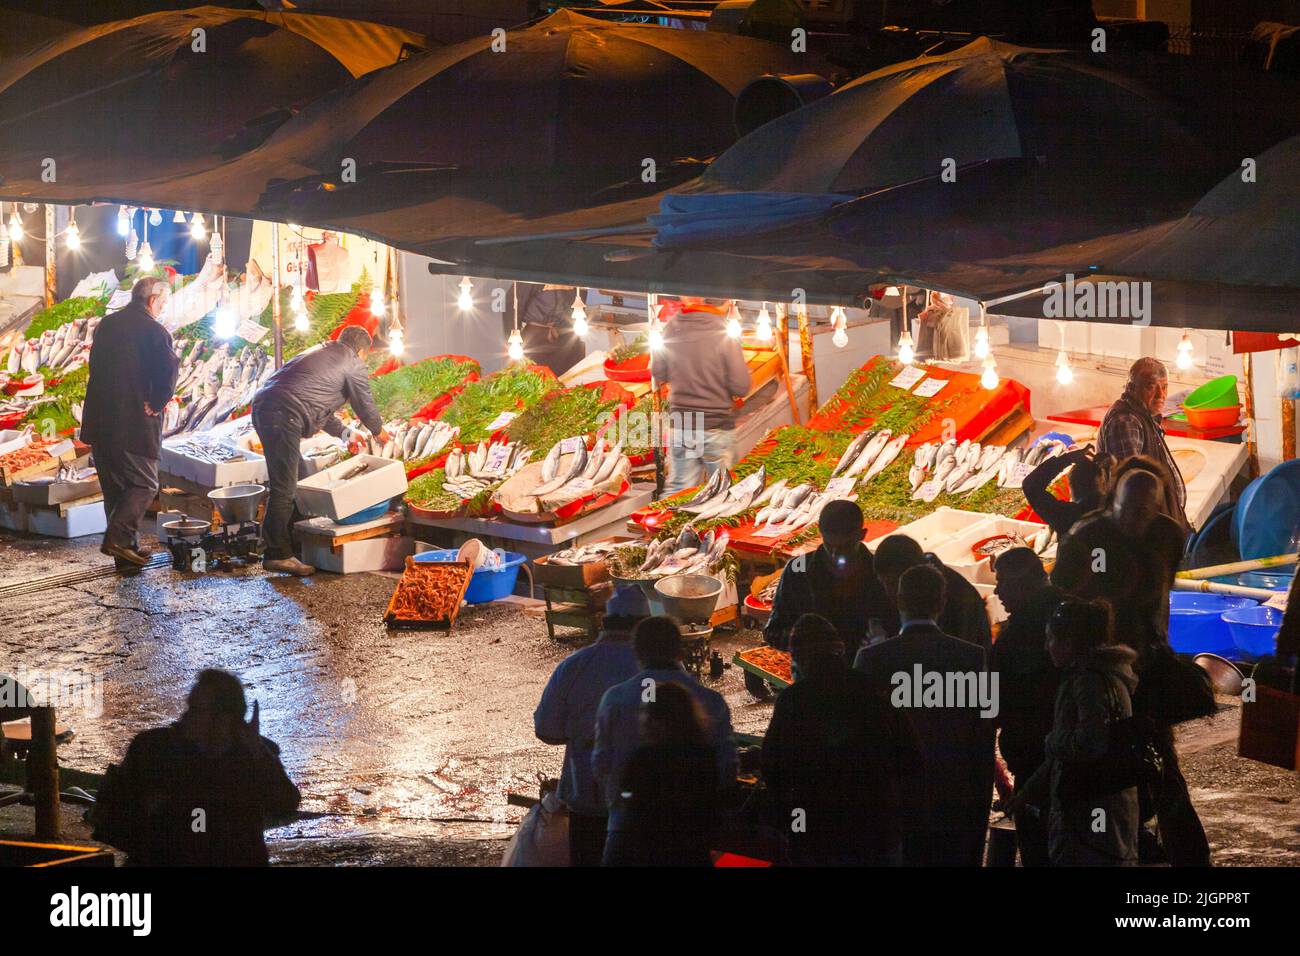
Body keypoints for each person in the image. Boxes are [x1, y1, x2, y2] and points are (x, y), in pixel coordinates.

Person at [854, 565, 995, 866]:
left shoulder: (870, 660)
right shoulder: (974, 658)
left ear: (898, 600)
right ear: (942, 602)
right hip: (954, 802)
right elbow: (983, 742)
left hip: (893, 806)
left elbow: (858, 742)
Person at [90, 670, 300, 866]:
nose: (184, 716)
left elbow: (286, 802)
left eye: (196, 710)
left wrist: (259, 753)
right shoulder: (153, 751)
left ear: (224, 720)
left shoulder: (252, 757)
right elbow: (109, 816)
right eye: (189, 707)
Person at [762, 614, 920, 865]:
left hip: (819, 837)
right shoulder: (875, 689)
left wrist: (794, 826)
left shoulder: (794, 700)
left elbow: (775, 770)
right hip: (877, 833)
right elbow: (910, 757)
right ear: (840, 650)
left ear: (800, 658)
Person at [592, 616, 736, 865]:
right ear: (680, 650)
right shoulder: (710, 701)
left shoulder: (615, 699)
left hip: (627, 832)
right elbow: (727, 769)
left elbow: (601, 764)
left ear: (636, 651)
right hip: (690, 838)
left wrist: (621, 800)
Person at [1010, 599, 1141, 866]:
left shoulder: (1087, 681)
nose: (1047, 647)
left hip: (1086, 812)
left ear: (1068, 642)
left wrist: (1051, 740)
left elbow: (1089, 744)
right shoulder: (1112, 674)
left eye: (1050, 639)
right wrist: (1026, 794)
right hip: (1109, 806)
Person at [251, 326, 389, 576]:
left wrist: (347, 434)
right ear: (361, 351)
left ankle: (290, 544)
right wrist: (378, 430)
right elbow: (364, 402)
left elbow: (316, 407)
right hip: (284, 414)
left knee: (299, 477)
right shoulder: (352, 362)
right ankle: (276, 553)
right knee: (285, 486)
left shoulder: (322, 351)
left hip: (266, 407)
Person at [533, 586, 647, 866]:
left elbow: (546, 730)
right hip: (642, 800)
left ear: (604, 623)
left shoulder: (573, 666)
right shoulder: (654, 672)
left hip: (586, 794)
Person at [80, 276, 180, 570]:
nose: (162, 308)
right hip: (132, 422)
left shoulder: (107, 325)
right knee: (144, 483)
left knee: (115, 488)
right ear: (152, 300)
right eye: (162, 302)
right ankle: (118, 540)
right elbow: (169, 369)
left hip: (100, 420)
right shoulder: (154, 330)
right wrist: (159, 401)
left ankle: (126, 554)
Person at [1051, 467, 1186, 659]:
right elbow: (1060, 590)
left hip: (1151, 644)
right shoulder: (1087, 536)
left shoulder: (1169, 535)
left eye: (1140, 512)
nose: (1131, 518)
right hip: (1099, 652)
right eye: (1124, 508)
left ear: (1156, 509)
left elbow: (1166, 584)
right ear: (1114, 502)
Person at [989, 547, 1065, 866]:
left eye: (1002, 582)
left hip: (1036, 759)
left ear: (1023, 583)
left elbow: (992, 702)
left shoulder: (1017, 636)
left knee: (1040, 851)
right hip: (1077, 763)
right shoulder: (1072, 612)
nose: (997, 591)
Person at [606, 682, 722, 866]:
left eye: (646, 714)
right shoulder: (704, 756)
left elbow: (628, 797)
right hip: (692, 851)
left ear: (658, 721)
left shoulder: (645, 757)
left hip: (648, 850)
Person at [651, 297, 752, 497]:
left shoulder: (672, 327)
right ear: (722, 303)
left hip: (682, 424)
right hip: (715, 426)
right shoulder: (722, 332)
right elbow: (741, 386)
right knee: (725, 493)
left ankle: (666, 527)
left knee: (678, 490)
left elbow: (658, 371)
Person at [763, 499, 894, 652]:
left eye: (846, 547)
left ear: (862, 535)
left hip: (868, 671)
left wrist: (882, 640)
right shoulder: (798, 572)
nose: (836, 555)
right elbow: (773, 631)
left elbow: (900, 627)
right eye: (830, 546)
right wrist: (806, 639)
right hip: (816, 671)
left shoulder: (881, 572)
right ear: (821, 534)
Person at [1097, 357, 1187, 525]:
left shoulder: (1143, 415)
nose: (1161, 395)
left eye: (1165, 387)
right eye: (1151, 386)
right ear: (1131, 388)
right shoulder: (1126, 421)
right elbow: (1133, 488)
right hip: (1146, 529)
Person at [871, 534, 992, 651]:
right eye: (883, 582)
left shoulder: (958, 599)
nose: (888, 591)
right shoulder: (916, 588)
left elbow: (957, 654)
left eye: (892, 583)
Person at [1021, 443, 1113, 543]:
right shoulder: (1116, 508)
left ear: (1072, 488)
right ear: (1101, 481)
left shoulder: (1067, 516)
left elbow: (1031, 486)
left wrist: (1067, 459)